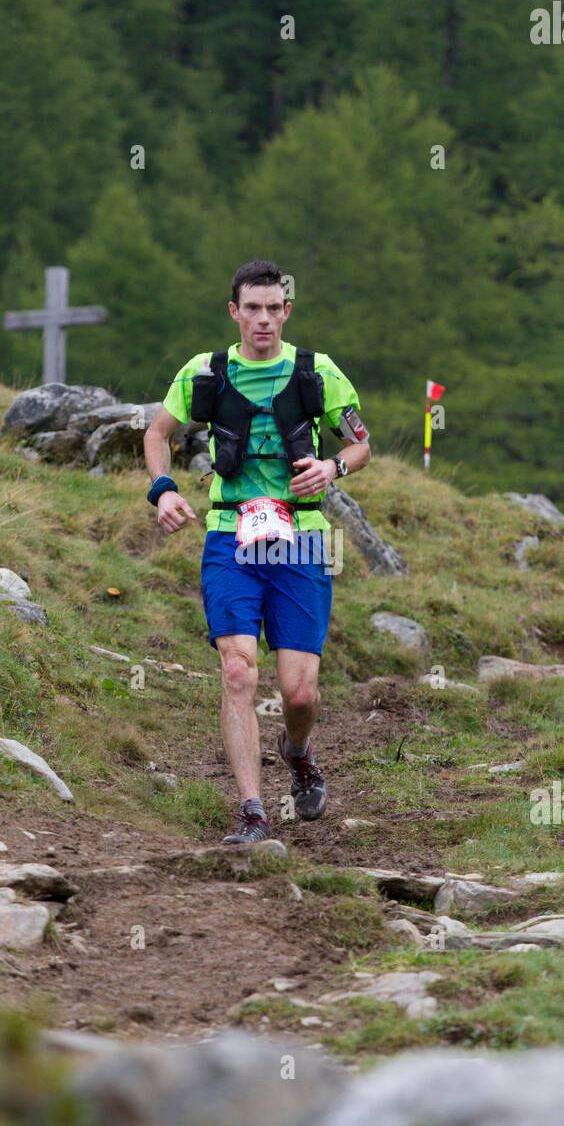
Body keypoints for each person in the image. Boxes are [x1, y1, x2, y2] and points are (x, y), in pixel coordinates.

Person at [144, 260, 371, 844]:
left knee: (299, 691)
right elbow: (156, 433)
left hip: (303, 537)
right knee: (238, 670)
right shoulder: (205, 372)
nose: (263, 320)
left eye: (273, 309)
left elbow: (361, 444)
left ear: (286, 311)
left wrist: (332, 466)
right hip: (229, 535)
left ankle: (297, 750)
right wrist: (162, 489)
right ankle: (251, 810)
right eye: (252, 309)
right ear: (234, 312)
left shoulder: (316, 371)